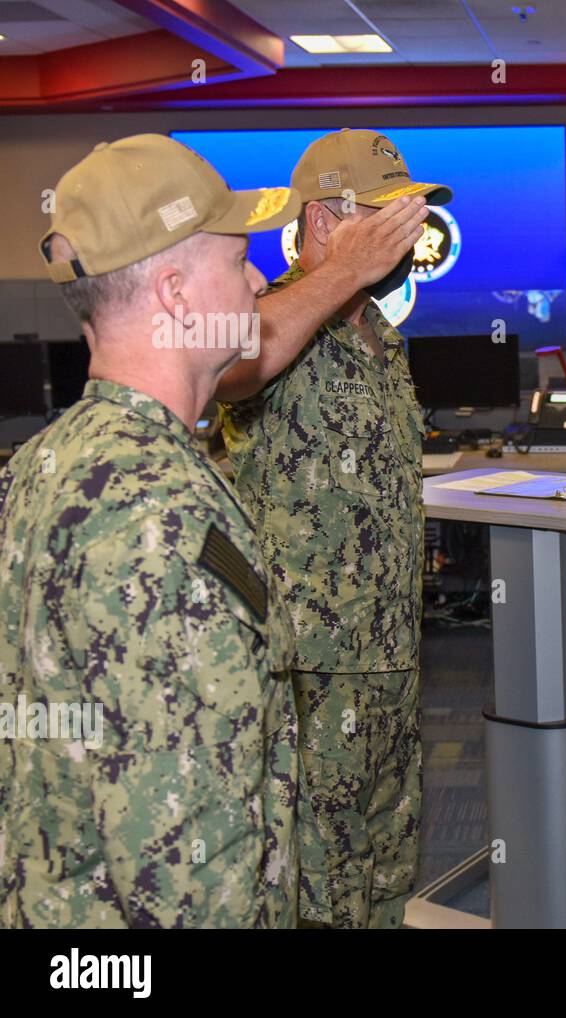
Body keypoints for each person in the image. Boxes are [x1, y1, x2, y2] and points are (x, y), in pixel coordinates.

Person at [0, 134, 301, 927]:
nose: (259, 279)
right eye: (238, 261)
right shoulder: (159, 515)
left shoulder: (41, 463)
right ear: (175, 293)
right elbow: (188, 878)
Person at [217, 129, 450, 928]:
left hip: (390, 654)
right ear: (325, 221)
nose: (410, 232)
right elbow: (234, 362)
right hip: (310, 670)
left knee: (386, 854)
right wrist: (341, 272)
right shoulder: (266, 318)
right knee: (316, 878)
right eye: (387, 217)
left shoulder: (380, 336)